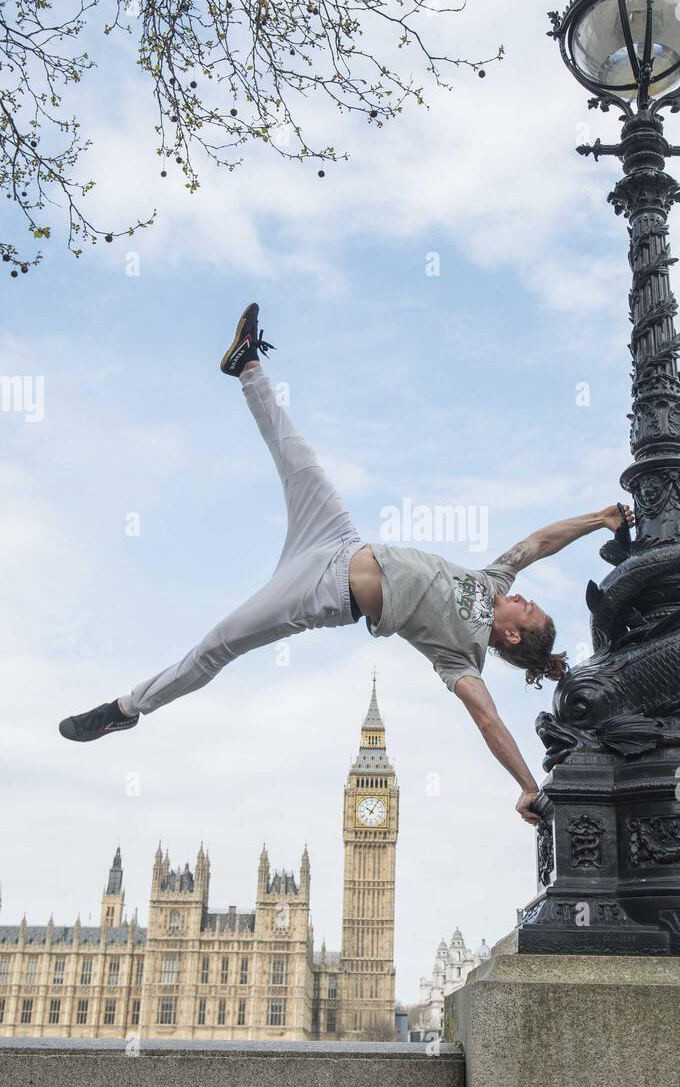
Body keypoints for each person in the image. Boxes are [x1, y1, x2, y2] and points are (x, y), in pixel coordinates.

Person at [59, 304, 633, 824]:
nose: (525, 598)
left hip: (323, 593)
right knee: (299, 459)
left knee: (218, 643)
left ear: (510, 633)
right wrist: (599, 518)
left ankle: (127, 708)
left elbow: (488, 721)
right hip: (338, 538)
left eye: (528, 612)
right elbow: (538, 543)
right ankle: (246, 365)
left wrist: (528, 785)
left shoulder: (461, 658)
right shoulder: (494, 580)